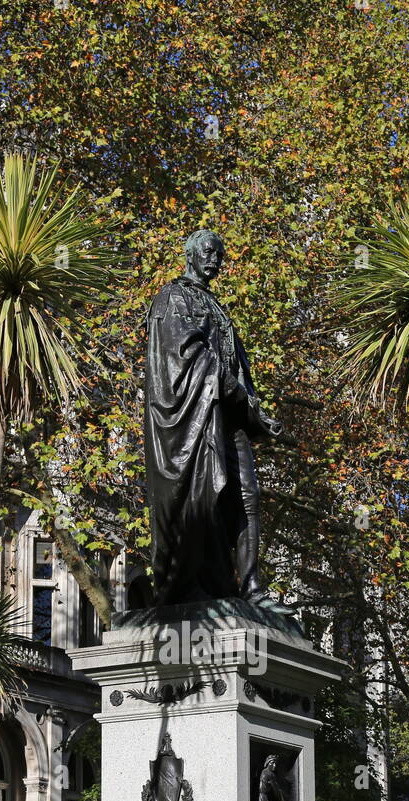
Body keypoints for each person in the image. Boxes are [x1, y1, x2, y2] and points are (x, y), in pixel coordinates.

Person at [144, 229, 286, 605]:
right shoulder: (172, 297)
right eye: (208, 252)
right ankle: (198, 582)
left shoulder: (216, 306)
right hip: (196, 414)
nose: (215, 260)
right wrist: (238, 394)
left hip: (228, 414)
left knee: (248, 495)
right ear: (190, 254)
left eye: (220, 255)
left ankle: (252, 588)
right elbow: (186, 353)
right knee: (210, 496)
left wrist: (256, 411)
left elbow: (235, 366)